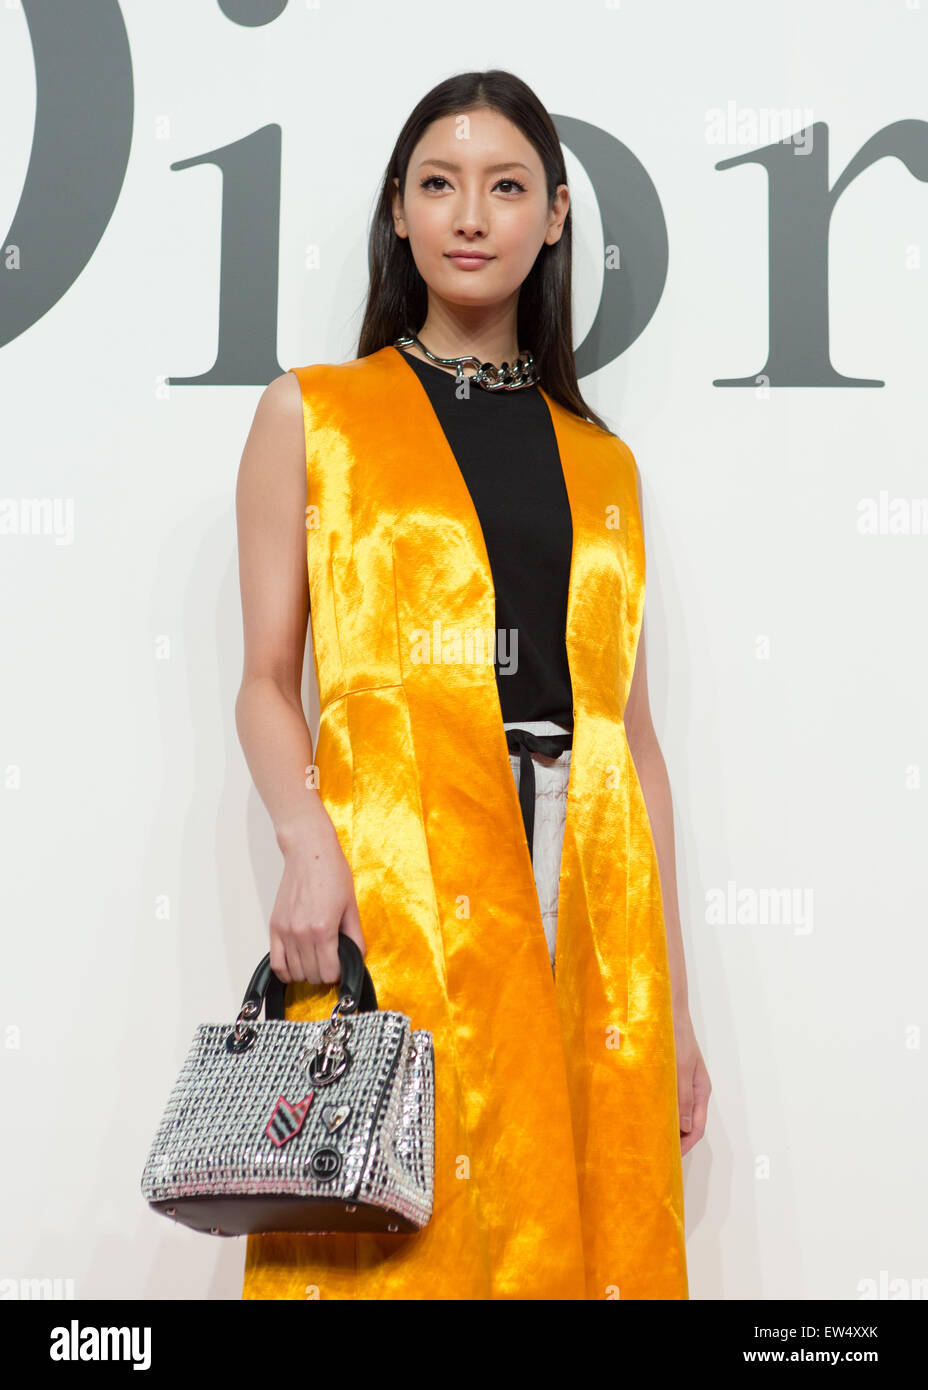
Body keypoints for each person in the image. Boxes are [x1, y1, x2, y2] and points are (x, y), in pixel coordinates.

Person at [234, 69, 710, 1301]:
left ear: (553, 216)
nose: (470, 214)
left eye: (505, 187)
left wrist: (676, 1008)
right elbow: (265, 680)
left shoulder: (603, 460)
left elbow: (631, 737)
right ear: (399, 212)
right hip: (401, 856)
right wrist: (305, 841)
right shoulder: (316, 416)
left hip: (586, 873)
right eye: (438, 185)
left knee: (577, 1210)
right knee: (408, 1210)